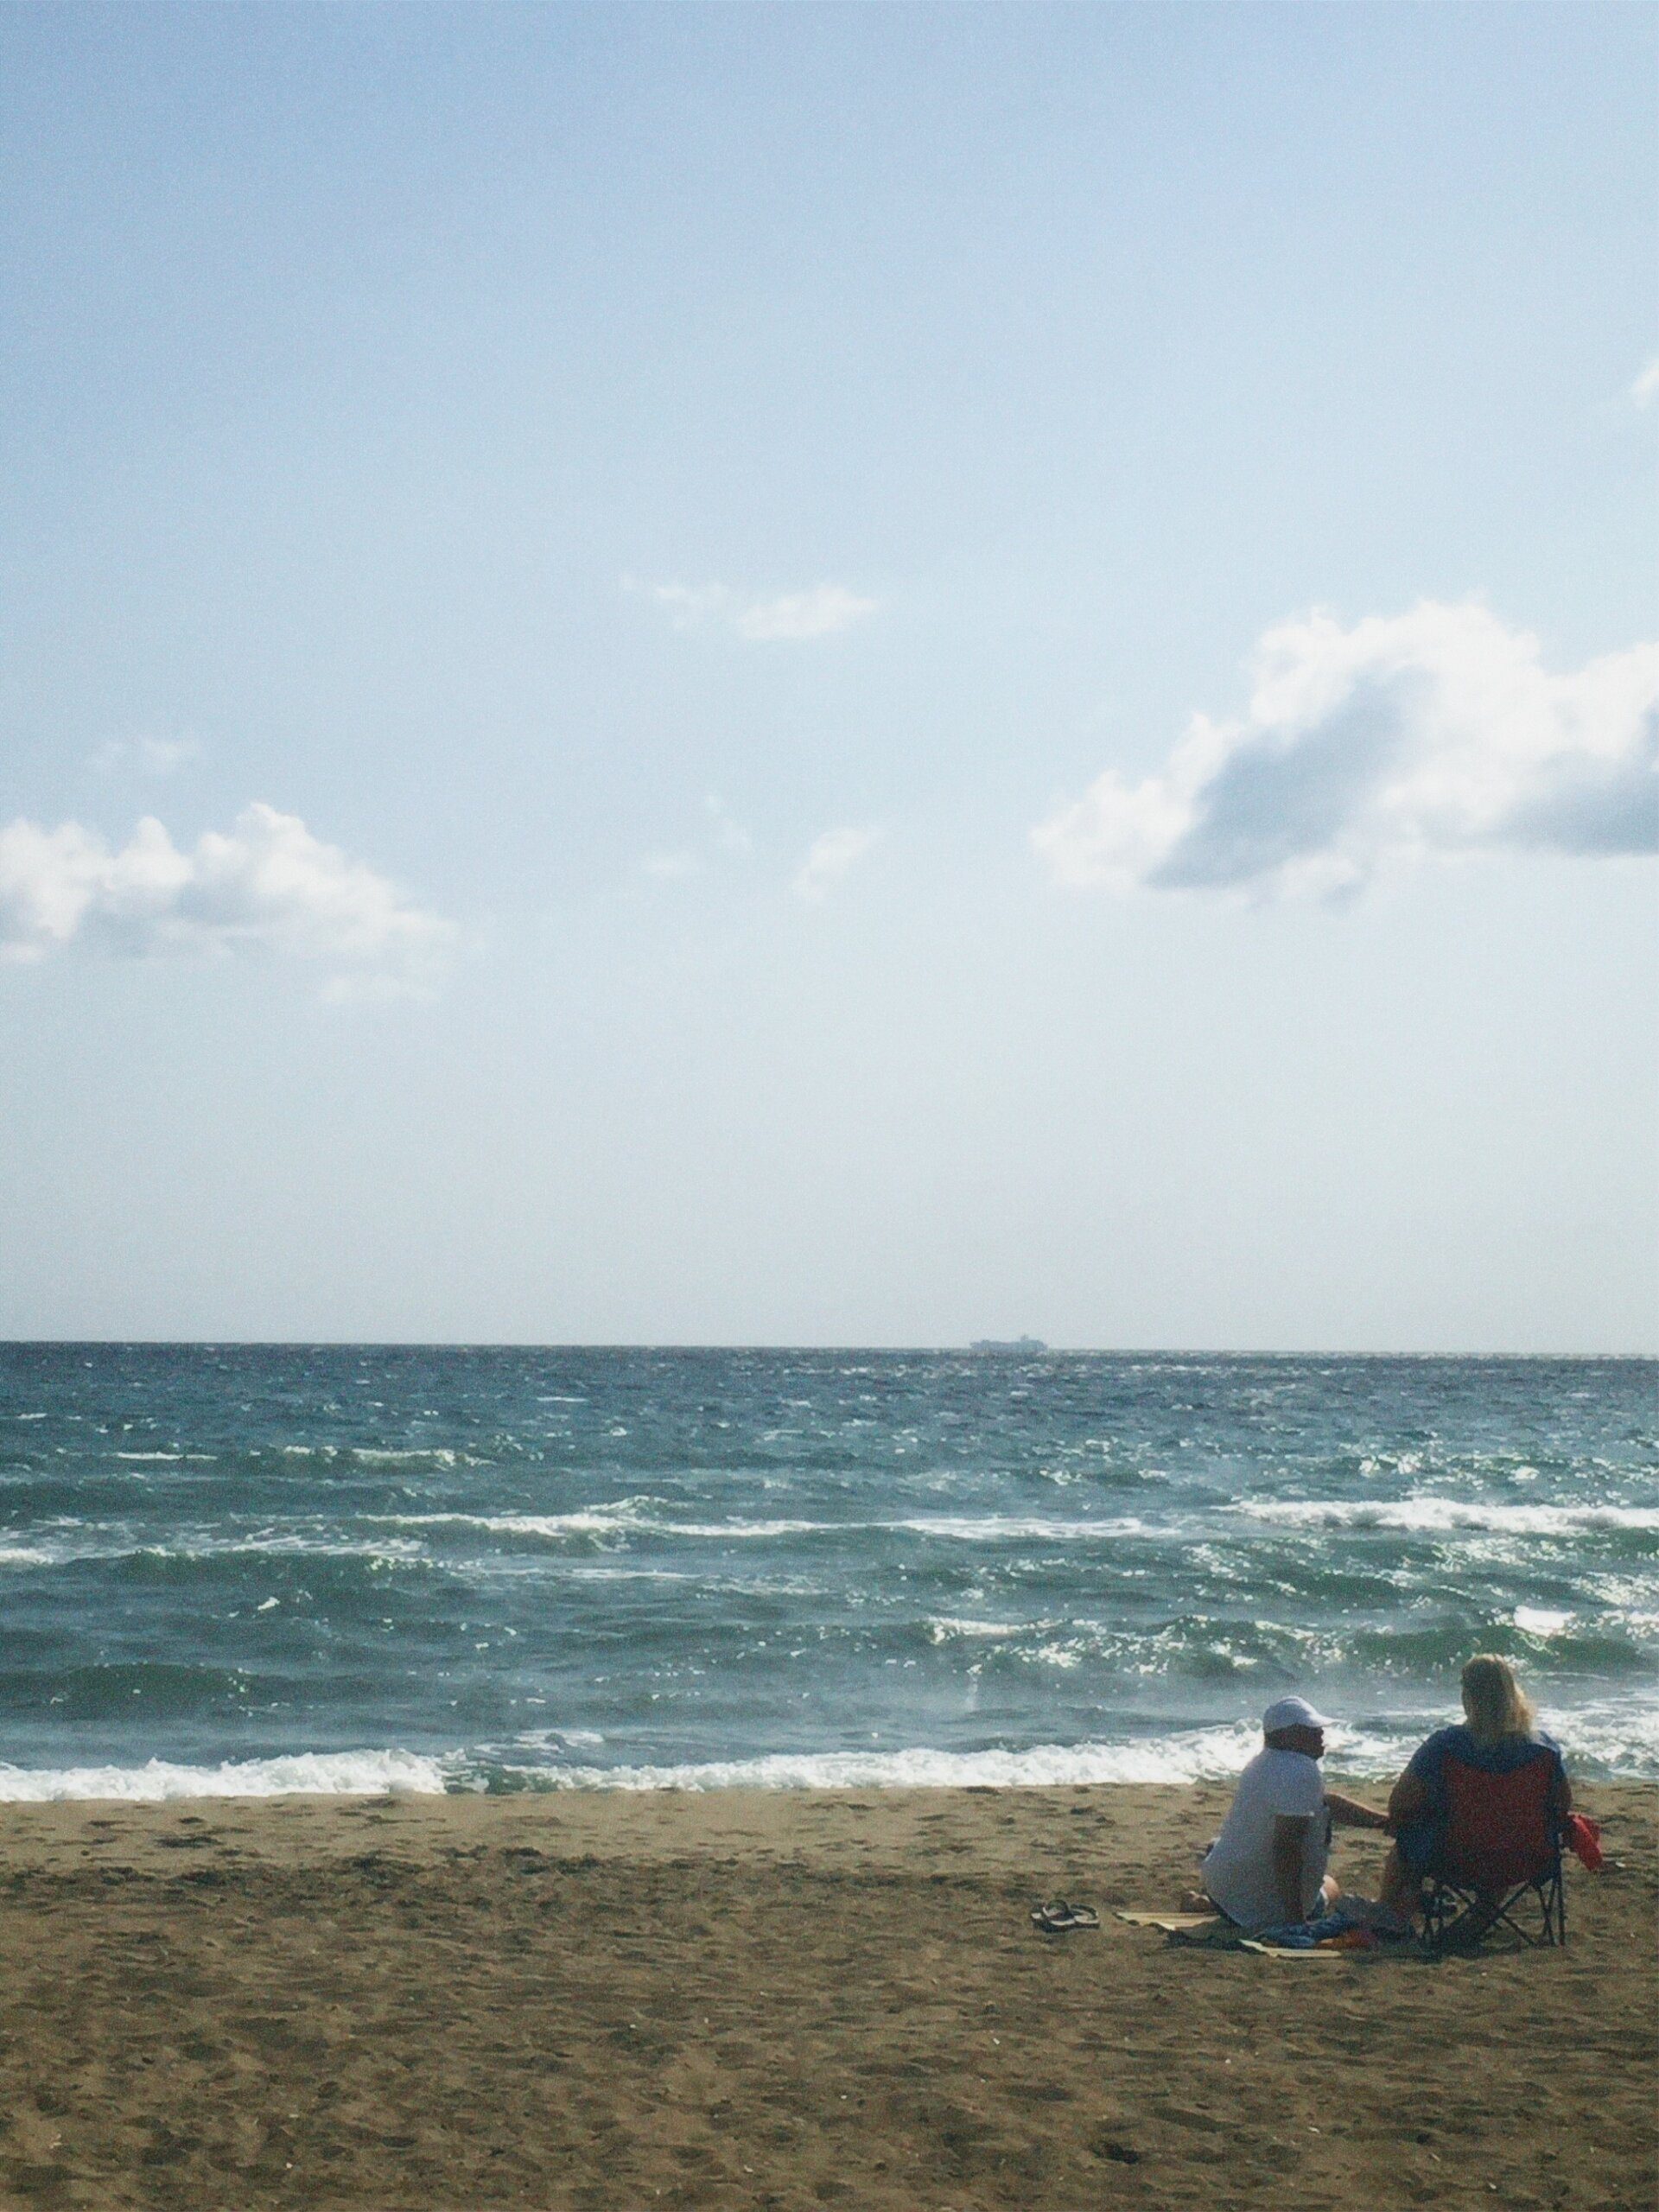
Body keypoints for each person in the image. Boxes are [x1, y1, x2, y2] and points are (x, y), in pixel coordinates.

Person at [1377, 1654, 1571, 1926]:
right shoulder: (1542, 1750)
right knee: (1499, 1832)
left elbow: (1399, 1803)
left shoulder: (1445, 1746)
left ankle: (1386, 1915)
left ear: (1468, 1696)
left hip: (1454, 1858)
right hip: (1523, 1859)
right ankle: (1485, 1912)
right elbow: (1562, 1804)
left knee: (1406, 1841)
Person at [1189, 1696, 1389, 1929]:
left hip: (1223, 1893)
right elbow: (1287, 1848)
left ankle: (1205, 1902)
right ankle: (1223, 1905)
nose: (1321, 1735)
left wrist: (1381, 1821)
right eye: (1312, 1730)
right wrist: (1295, 1921)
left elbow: (1326, 1803)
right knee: (1330, 1885)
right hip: (1263, 1910)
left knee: (1219, 1846)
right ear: (1288, 1735)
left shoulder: (1261, 1763)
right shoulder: (1301, 1770)